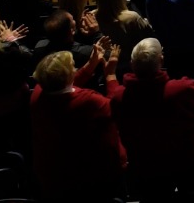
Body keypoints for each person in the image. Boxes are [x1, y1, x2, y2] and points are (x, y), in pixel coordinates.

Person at [29, 49, 126, 200]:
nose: (75, 69)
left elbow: (62, 85)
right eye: (73, 66)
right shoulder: (89, 102)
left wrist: (90, 65)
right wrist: (111, 76)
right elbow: (116, 107)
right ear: (69, 76)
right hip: (91, 176)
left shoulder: (38, 92)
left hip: (54, 174)